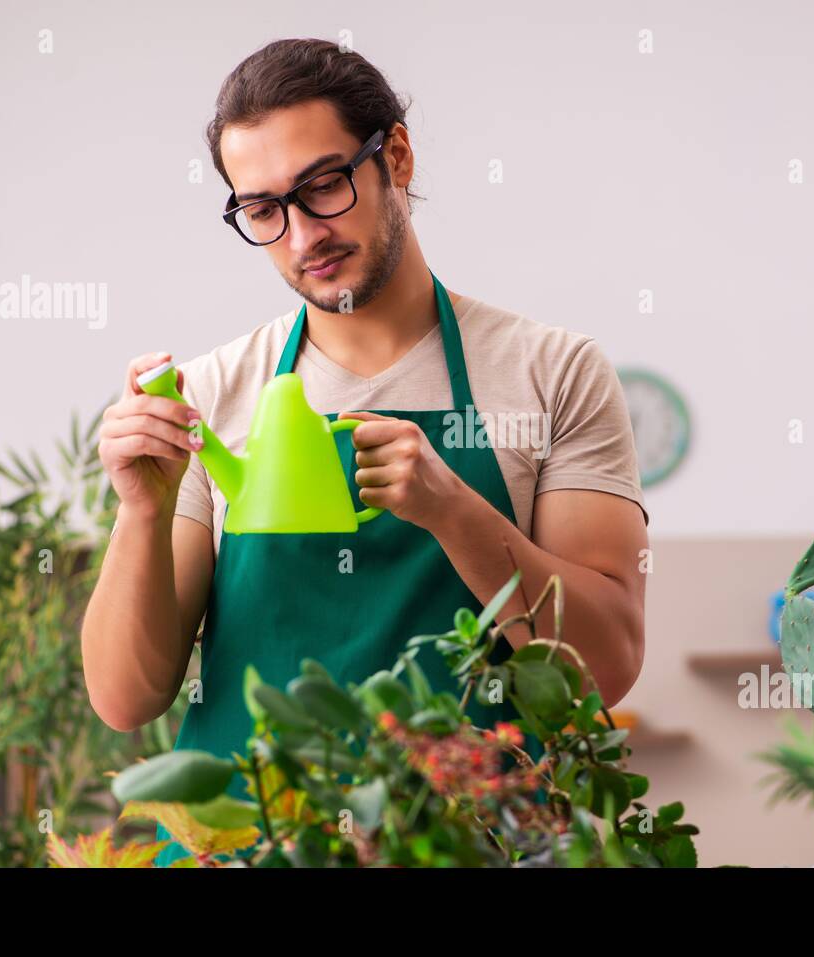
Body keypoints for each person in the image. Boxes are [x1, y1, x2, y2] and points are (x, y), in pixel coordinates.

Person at [81, 37, 649, 865]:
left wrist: (453, 511)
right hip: (244, 846)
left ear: (398, 156)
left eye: (323, 185)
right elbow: (126, 697)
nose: (304, 233)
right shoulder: (214, 391)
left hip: (470, 843)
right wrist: (143, 508)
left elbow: (605, 664)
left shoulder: (550, 372)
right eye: (264, 210)